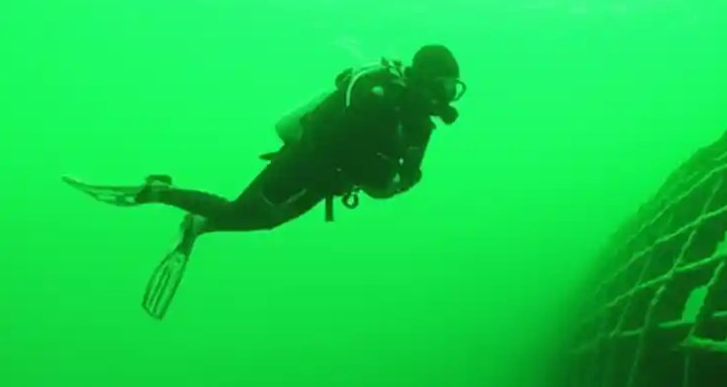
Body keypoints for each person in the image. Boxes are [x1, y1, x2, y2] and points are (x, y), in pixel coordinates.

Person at [63, 44, 465, 320]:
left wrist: (398, 178)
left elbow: (401, 176)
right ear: (429, 78)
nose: (450, 96)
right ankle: (159, 192)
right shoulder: (379, 96)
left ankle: (198, 224)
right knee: (243, 212)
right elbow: (361, 160)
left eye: (454, 89)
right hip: (304, 162)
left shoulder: (418, 124)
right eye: (448, 85)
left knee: (262, 220)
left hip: (326, 182)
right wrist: (387, 178)